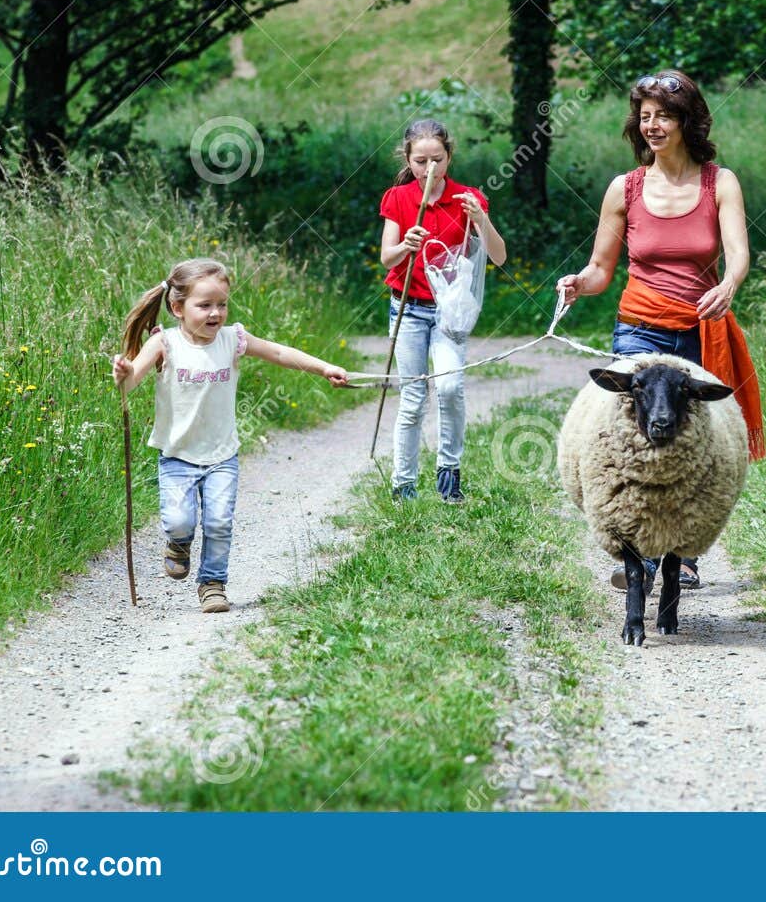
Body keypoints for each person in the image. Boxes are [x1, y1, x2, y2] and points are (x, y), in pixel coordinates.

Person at [555, 69, 766, 591]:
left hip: (700, 330)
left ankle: (683, 551)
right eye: (645, 117)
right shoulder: (623, 189)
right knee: (635, 441)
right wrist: (580, 282)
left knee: (697, 447)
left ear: (687, 121)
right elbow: (602, 269)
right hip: (638, 331)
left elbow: (738, 255)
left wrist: (730, 286)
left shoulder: (721, 182)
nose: (652, 126)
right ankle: (639, 553)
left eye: (664, 116)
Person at [112, 258, 350, 613]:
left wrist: (323, 367)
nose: (215, 313)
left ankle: (212, 584)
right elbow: (131, 382)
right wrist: (124, 373)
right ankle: (178, 544)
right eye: (204, 305)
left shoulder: (232, 340)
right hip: (178, 454)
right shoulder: (165, 343)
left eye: (221, 304)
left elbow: (279, 352)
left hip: (222, 454)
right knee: (179, 521)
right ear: (177, 307)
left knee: (219, 522)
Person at [379, 117, 507, 503]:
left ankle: (449, 478)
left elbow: (499, 258)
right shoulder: (397, 198)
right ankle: (404, 486)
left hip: (449, 312)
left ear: (449, 157)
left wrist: (480, 219)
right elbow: (387, 259)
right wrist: (406, 246)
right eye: (420, 161)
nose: (429, 169)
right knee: (414, 397)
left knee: (450, 387)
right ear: (408, 158)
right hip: (408, 308)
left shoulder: (469, 198)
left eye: (437, 158)